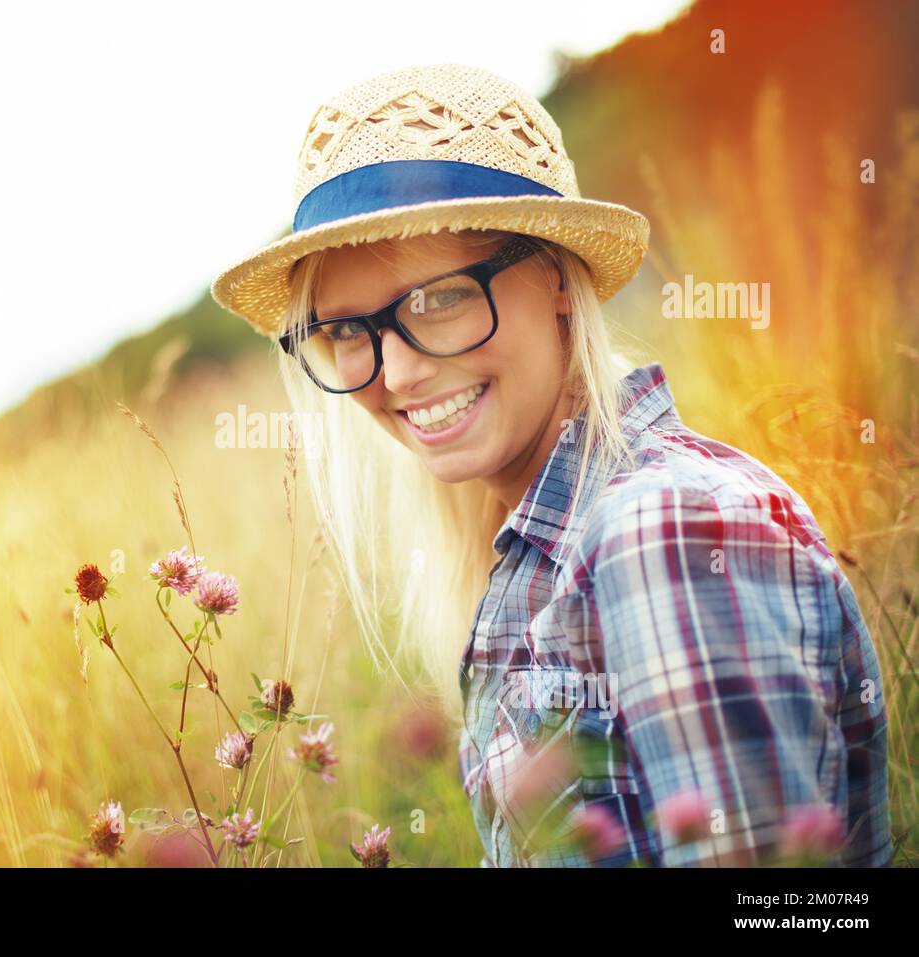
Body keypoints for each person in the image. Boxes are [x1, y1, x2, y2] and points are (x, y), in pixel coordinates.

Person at [210, 63, 890, 867]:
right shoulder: (538, 551)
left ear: (558, 277)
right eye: (349, 331)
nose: (397, 375)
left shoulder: (660, 532)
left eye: (440, 298)